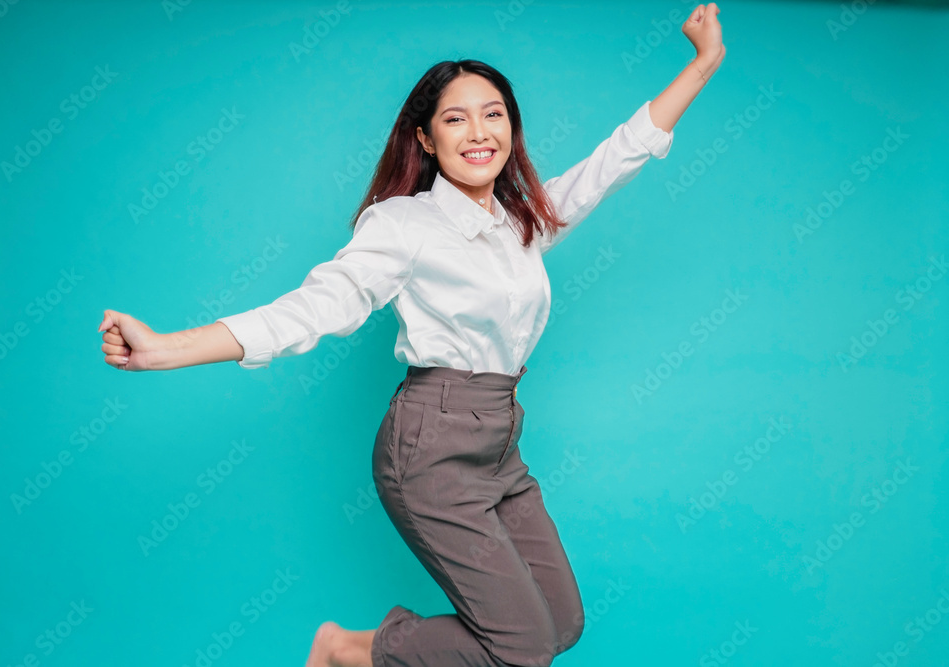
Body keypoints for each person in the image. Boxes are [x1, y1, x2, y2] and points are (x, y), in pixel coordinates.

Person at [98, 5, 724, 665]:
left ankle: (355, 648)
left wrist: (703, 62)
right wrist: (165, 347)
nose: (479, 132)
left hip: (499, 444)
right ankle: (347, 650)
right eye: (456, 118)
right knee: (523, 646)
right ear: (425, 139)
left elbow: (614, 159)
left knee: (562, 624)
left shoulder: (523, 219)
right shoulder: (402, 224)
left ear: (512, 126)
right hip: (430, 446)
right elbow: (313, 307)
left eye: (494, 114)